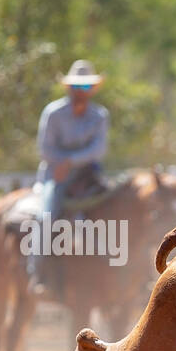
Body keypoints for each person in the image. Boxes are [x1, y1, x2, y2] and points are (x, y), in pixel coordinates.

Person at [32, 59, 110, 298]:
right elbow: (45, 149)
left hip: (89, 176)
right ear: (69, 88)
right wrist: (62, 163)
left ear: (92, 90)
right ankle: (38, 273)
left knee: (118, 209)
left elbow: (98, 150)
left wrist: (70, 161)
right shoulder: (54, 113)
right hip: (56, 176)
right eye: (77, 87)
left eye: (86, 87)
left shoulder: (99, 115)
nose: (81, 92)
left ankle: (123, 274)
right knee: (46, 216)